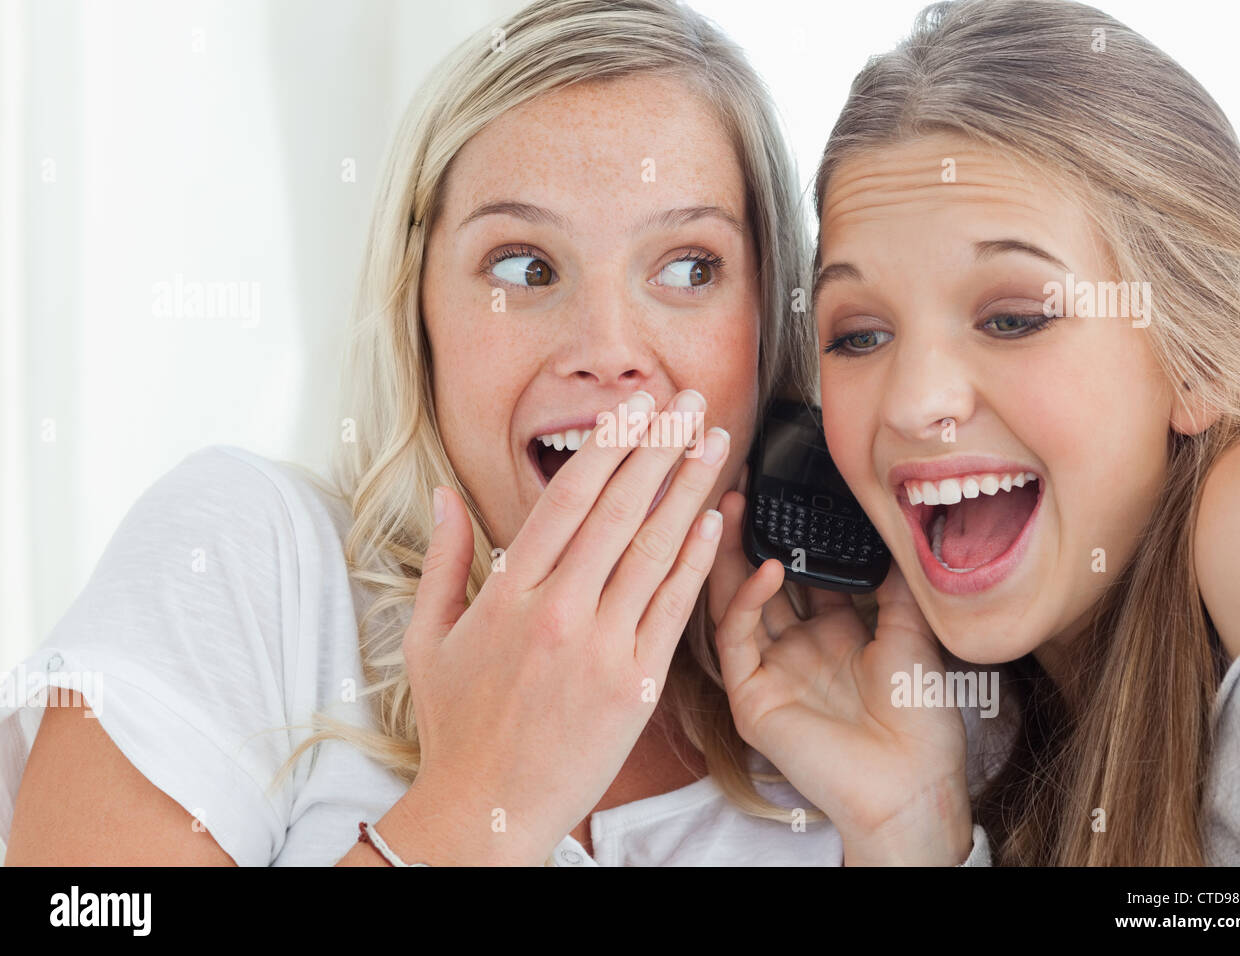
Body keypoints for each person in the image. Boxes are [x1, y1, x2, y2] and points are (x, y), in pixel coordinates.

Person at [1, 0, 865, 867]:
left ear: (772, 322)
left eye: (688, 268)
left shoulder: (871, 686)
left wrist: (916, 835)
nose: (606, 352)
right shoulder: (253, 561)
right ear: (419, 312)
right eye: (524, 268)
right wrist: (484, 799)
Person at [709, 0, 1240, 865]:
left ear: (1198, 358)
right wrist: (909, 829)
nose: (914, 403)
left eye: (1014, 318)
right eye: (859, 336)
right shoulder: (987, 719)